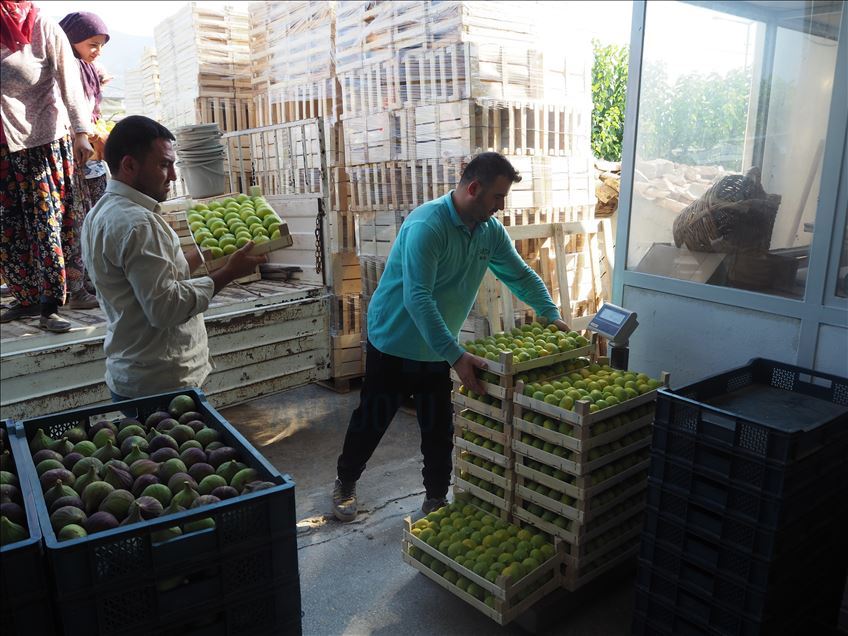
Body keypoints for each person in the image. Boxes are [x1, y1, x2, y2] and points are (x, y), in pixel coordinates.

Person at [332, 152, 569, 522]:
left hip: (438, 346)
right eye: (497, 197)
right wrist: (457, 356)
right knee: (373, 419)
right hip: (395, 341)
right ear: (473, 189)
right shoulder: (428, 226)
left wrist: (550, 313)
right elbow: (417, 298)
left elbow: (519, 275)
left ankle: (435, 498)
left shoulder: (489, 232)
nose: (501, 206)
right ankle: (345, 482)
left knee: (438, 428)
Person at [81, 115, 266, 403]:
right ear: (129, 165)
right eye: (163, 165)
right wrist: (229, 273)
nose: (173, 177)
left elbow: (147, 279)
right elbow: (165, 308)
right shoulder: (139, 224)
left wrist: (200, 256)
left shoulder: (100, 213)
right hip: (162, 384)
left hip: (133, 374)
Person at [0, 0, 94, 332]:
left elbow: (70, 82)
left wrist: (82, 133)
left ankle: (50, 305)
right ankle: (25, 298)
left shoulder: (43, 26)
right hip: (3, 150)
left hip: (40, 143)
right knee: (8, 229)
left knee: (46, 226)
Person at [58, 11, 112, 309]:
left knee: (96, 220)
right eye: (92, 43)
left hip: (92, 158)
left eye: (101, 45)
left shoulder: (88, 69)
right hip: (73, 158)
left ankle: (92, 281)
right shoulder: (65, 70)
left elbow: (91, 112)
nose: (97, 50)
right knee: (77, 223)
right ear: (72, 39)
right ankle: (77, 288)